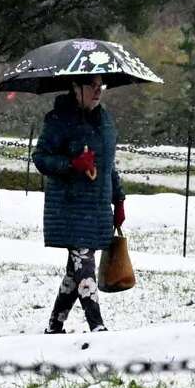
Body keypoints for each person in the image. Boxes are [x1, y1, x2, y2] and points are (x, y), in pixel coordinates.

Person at [31, 74, 125, 333]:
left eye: (100, 86)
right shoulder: (58, 120)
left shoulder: (104, 120)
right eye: (91, 86)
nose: (97, 91)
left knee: (75, 272)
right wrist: (72, 165)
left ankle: (54, 326)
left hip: (97, 207)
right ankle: (98, 327)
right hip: (69, 207)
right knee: (84, 264)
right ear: (75, 87)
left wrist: (119, 199)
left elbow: (108, 167)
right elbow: (40, 159)